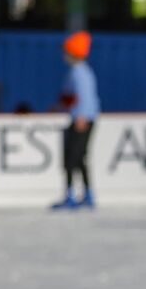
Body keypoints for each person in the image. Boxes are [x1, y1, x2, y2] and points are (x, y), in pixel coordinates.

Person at [51, 31, 98, 211]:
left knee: (73, 158)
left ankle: (73, 194)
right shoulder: (78, 71)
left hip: (82, 119)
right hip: (81, 118)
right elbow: (69, 97)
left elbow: (84, 97)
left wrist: (81, 117)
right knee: (79, 158)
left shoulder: (80, 72)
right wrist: (59, 107)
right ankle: (86, 193)